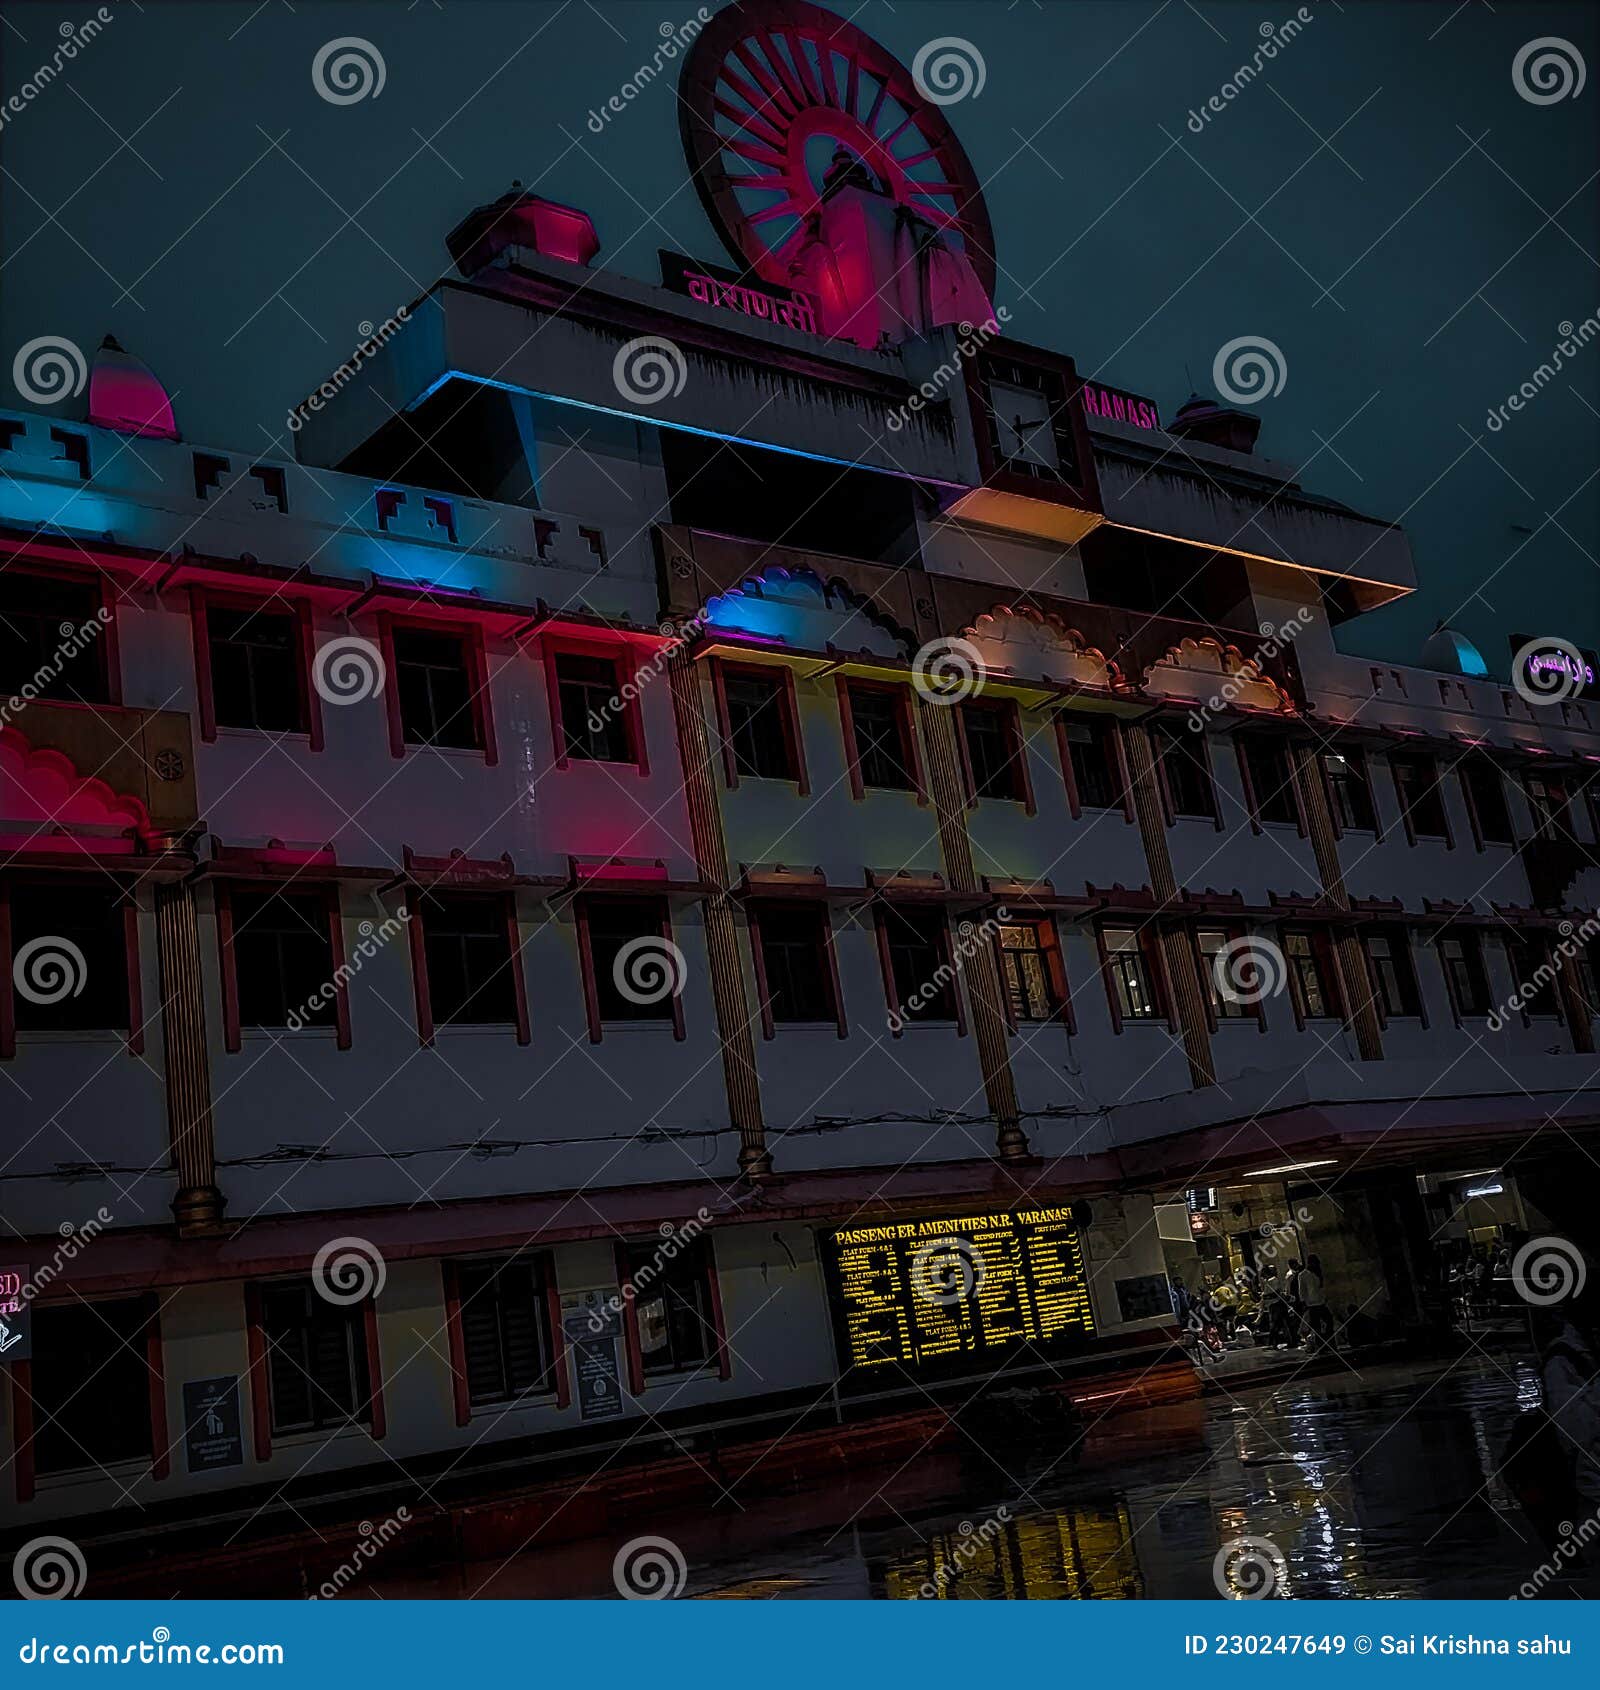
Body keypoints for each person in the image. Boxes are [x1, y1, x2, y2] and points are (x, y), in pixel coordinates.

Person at [1297, 1254, 1333, 1348]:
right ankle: (1320, 1345)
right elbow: (1302, 1290)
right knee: (1316, 1326)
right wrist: (1304, 1302)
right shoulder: (1303, 1275)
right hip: (1312, 1304)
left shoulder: (1317, 1273)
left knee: (1328, 1321)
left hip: (1321, 1302)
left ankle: (1329, 1342)